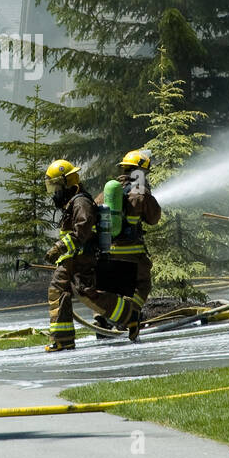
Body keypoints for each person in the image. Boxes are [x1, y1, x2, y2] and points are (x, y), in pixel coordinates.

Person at [95, 150, 162, 342]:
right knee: (141, 285)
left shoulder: (108, 193)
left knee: (110, 288)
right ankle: (131, 315)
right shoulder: (139, 191)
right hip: (132, 252)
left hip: (109, 251)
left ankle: (100, 319)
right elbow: (154, 218)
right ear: (139, 171)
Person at [43, 159, 101, 352]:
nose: (55, 192)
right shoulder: (73, 202)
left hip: (79, 258)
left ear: (68, 183)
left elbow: (82, 232)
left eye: (57, 186)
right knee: (82, 293)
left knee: (59, 291)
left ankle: (63, 339)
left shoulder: (81, 202)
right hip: (74, 258)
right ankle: (64, 339)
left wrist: (58, 247)